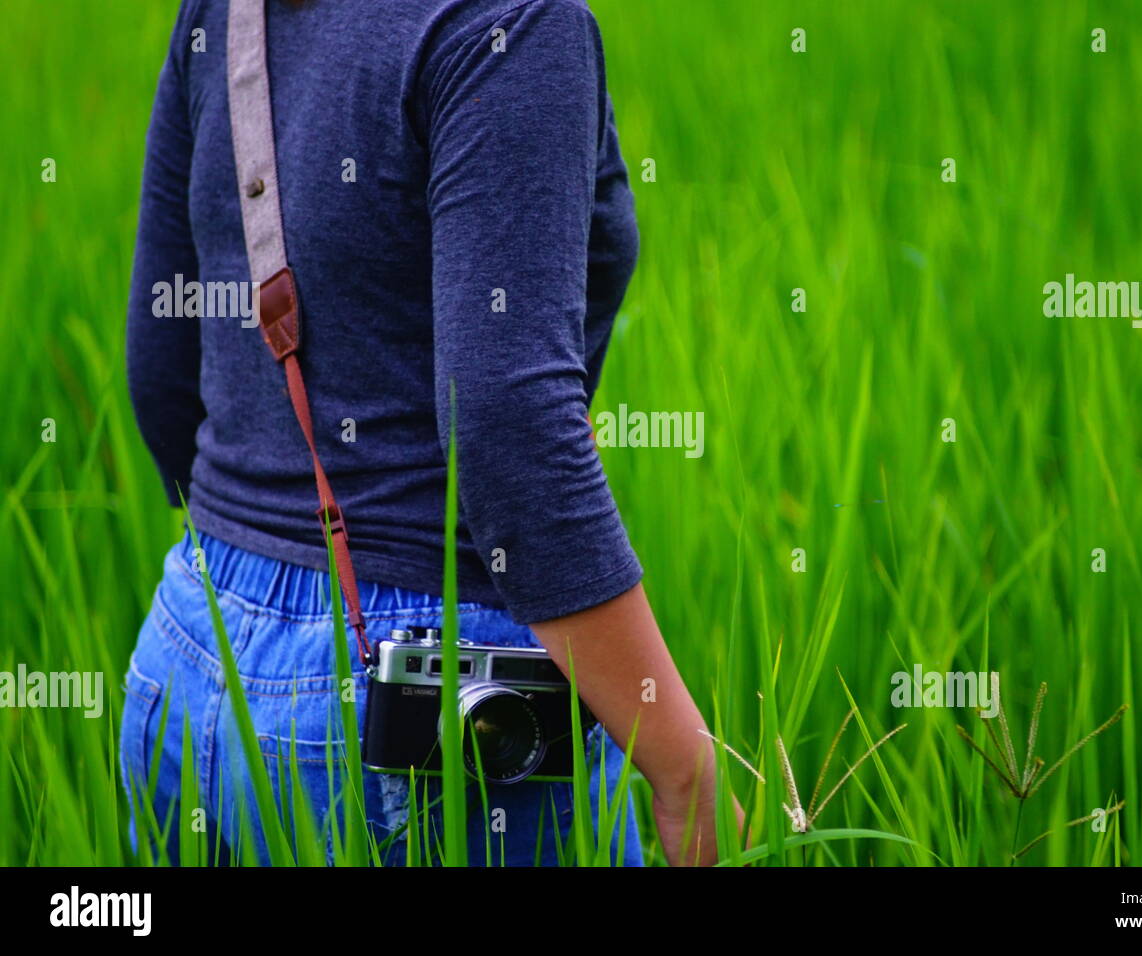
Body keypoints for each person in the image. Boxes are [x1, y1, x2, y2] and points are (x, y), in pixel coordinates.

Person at [122, 0, 739, 866]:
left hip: (188, 651)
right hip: (424, 705)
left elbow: (161, 357)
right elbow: (508, 428)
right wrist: (680, 765)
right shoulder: (516, 23)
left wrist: (254, 561)